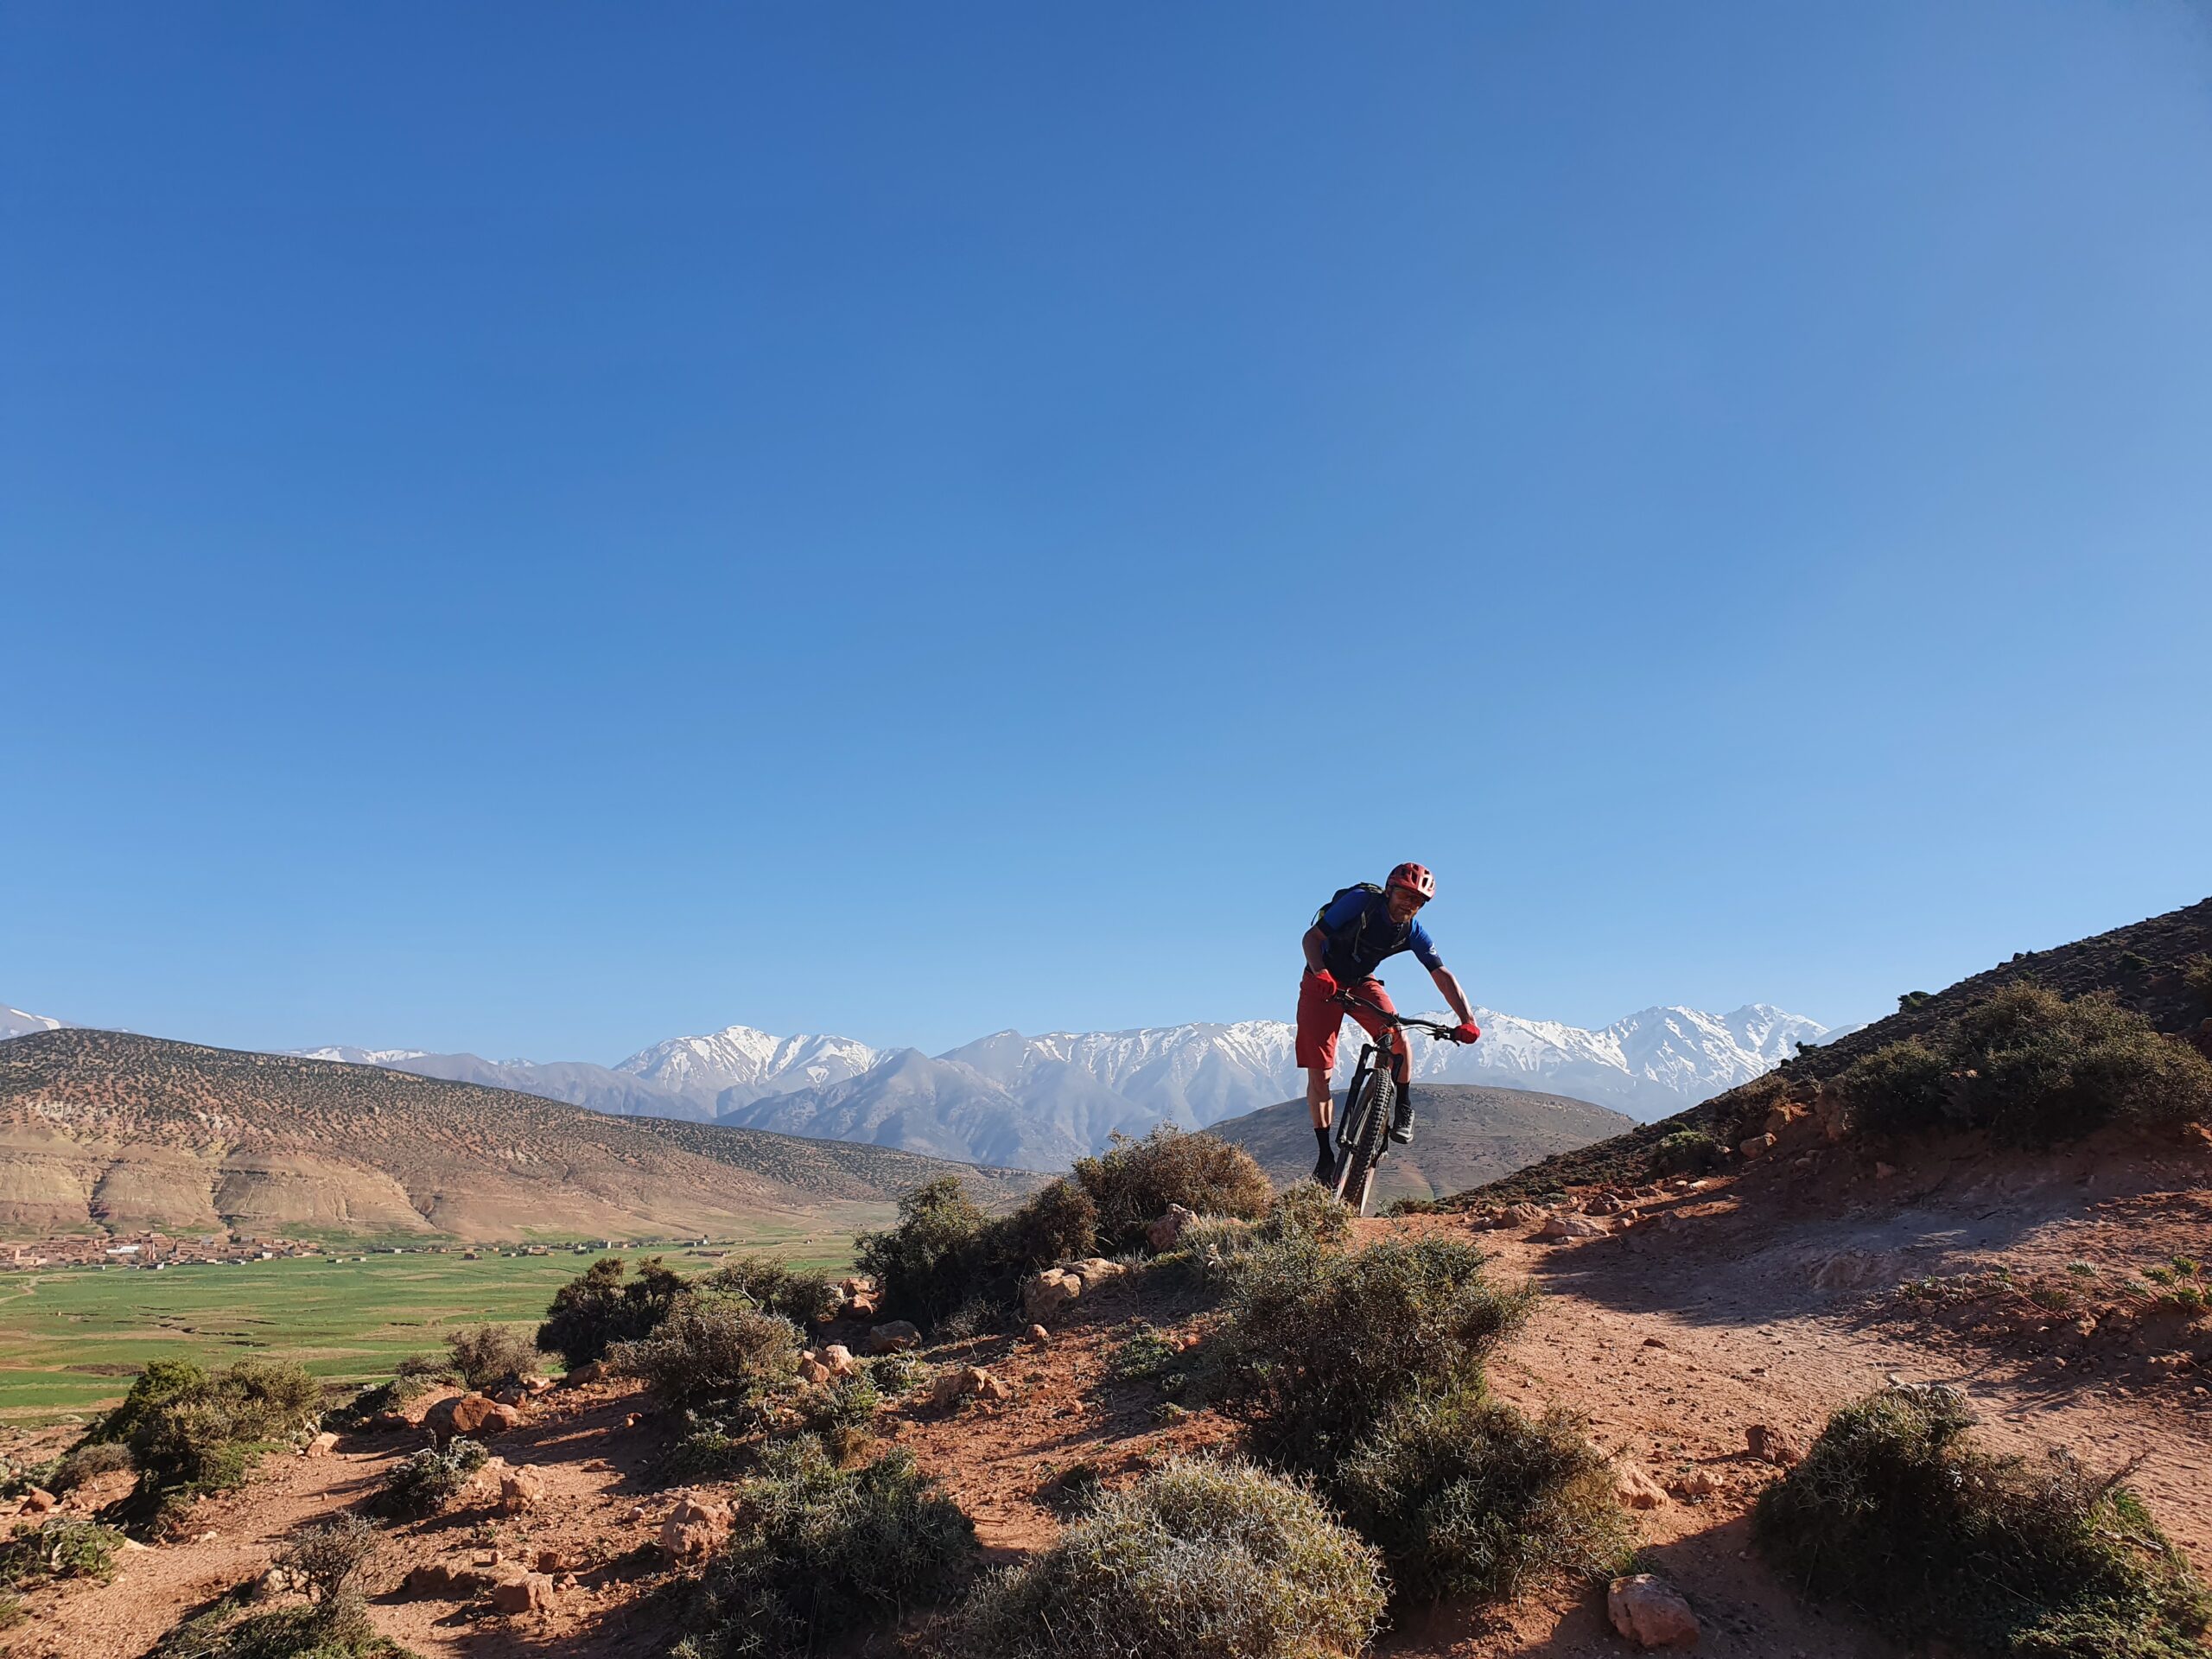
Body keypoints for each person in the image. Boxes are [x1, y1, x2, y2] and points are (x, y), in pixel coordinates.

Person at [1298, 862, 1480, 1183]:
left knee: (1398, 1038)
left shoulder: (1413, 931)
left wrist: (1467, 1020)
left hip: (1361, 981)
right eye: (1404, 895)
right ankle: (1325, 1156)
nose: (1409, 904)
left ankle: (1403, 1106)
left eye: (1418, 901)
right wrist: (1320, 972)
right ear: (1389, 890)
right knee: (1321, 1072)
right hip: (1322, 979)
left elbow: (1441, 974)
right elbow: (1312, 938)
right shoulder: (1360, 903)